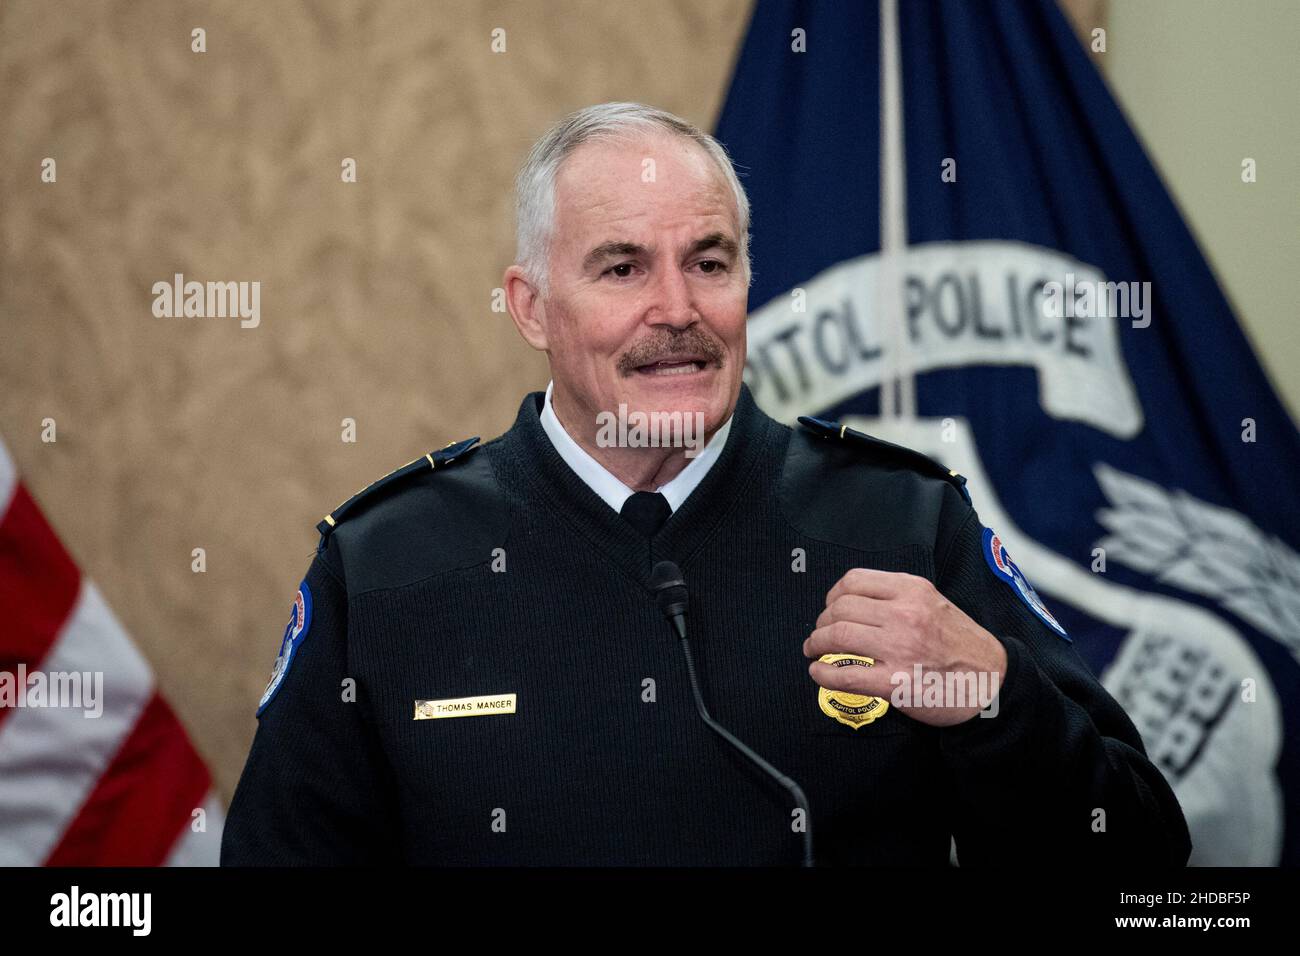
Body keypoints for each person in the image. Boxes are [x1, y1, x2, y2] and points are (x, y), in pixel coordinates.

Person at [220, 102, 1191, 866]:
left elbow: (1141, 852)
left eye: (709, 262)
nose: (677, 309)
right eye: (622, 268)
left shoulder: (901, 520)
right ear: (531, 308)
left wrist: (994, 700)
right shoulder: (384, 565)